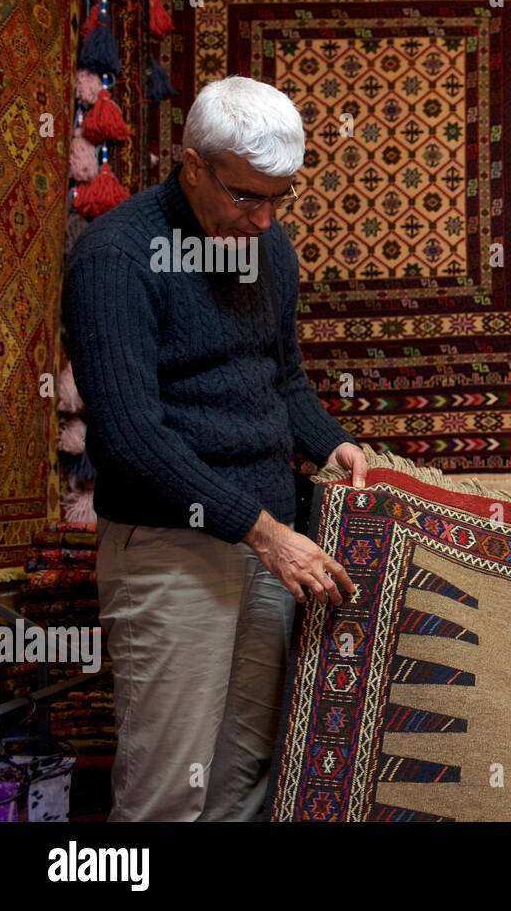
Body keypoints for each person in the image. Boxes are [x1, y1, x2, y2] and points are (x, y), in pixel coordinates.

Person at [62, 76, 367, 821]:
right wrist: (262, 532)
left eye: (278, 199)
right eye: (245, 197)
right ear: (192, 165)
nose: (264, 219)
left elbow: (282, 378)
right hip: (173, 548)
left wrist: (335, 445)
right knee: (171, 789)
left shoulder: (267, 245)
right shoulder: (116, 258)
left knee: (244, 780)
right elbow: (132, 438)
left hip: (265, 542)